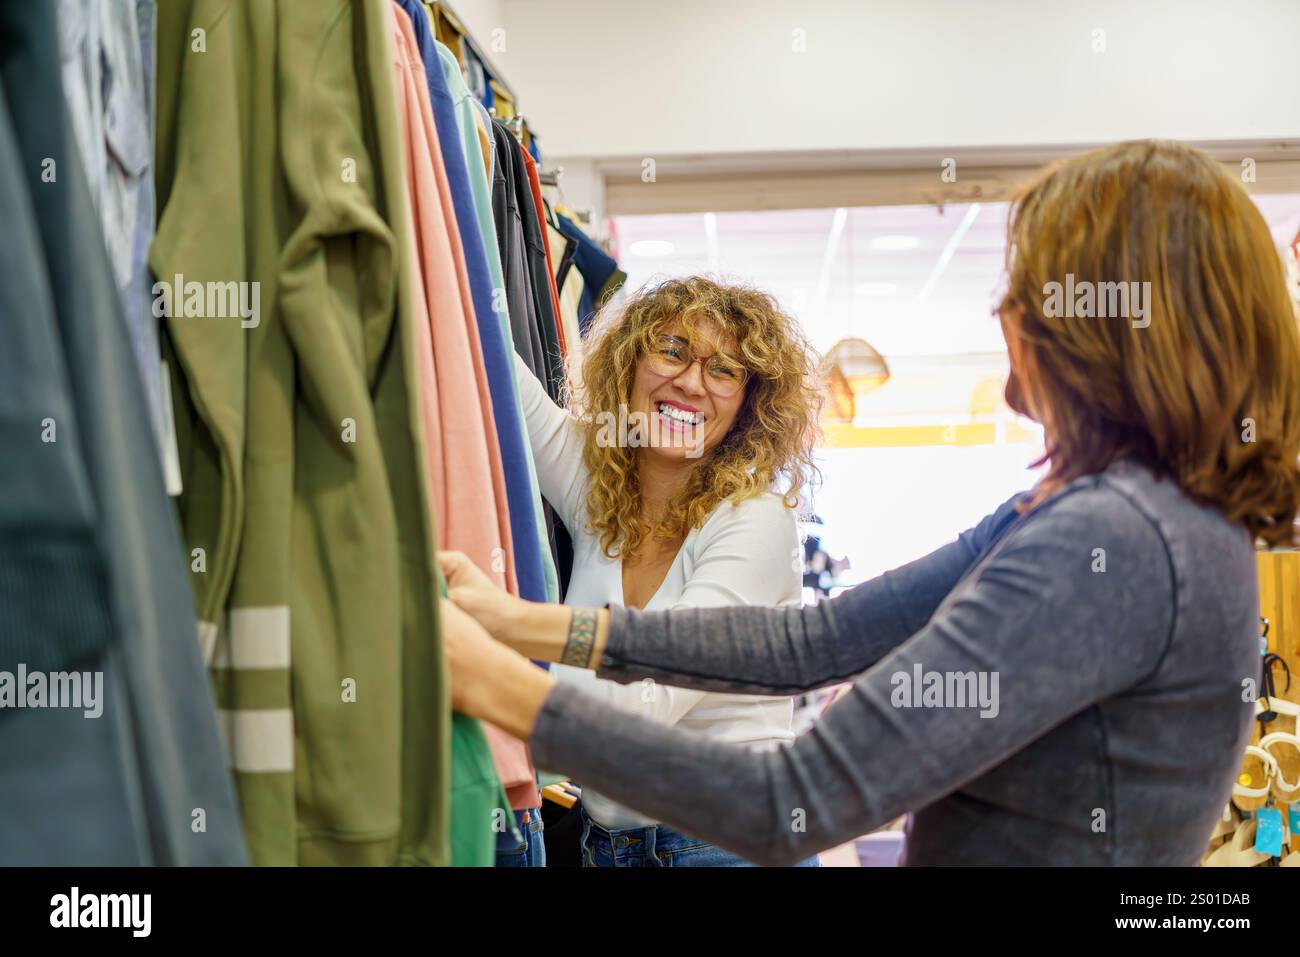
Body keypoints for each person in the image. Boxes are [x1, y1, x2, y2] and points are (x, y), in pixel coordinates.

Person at [439, 140, 1300, 866]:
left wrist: (500, 685)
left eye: (1030, 286)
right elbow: (815, 639)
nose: (1005, 308)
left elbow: (796, 797)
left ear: (1109, 330)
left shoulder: (1110, 544)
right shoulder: (1113, 512)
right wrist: (525, 628)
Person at [493, 276, 821, 866]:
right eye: (671, 350)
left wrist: (480, 672)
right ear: (629, 365)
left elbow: (648, 703)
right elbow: (493, 364)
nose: (692, 383)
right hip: (609, 845)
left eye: (723, 370)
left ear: (749, 403)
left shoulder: (755, 522)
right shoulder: (597, 491)